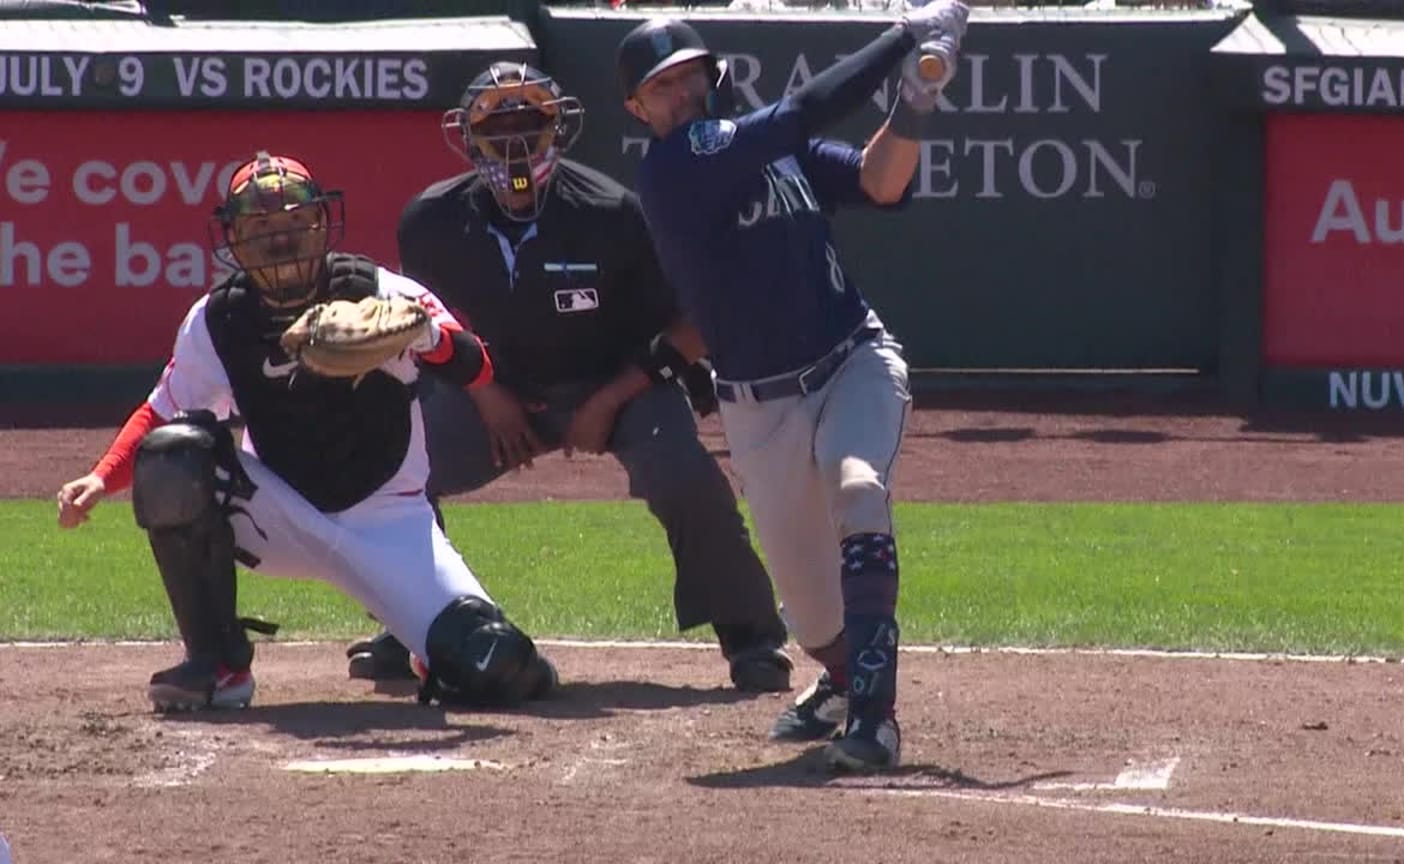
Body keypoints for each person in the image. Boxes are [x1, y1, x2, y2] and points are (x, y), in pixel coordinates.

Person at [342, 60, 794, 694]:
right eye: (498, 130)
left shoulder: (615, 214)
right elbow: (430, 329)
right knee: (390, 466)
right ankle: (415, 622)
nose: (516, 144)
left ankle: (752, 637)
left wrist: (608, 400)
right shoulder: (431, 221)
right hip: (493, 391)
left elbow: (691, 326)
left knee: (681, 471)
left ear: (560, 131)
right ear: (468, 139)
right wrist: (486, 391)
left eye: (532, 125)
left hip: (617, 384)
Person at [55, 151, 557, 712]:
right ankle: (217, 663)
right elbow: (161, 412)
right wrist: (101, 479)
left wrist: (423, 339)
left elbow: (476, 367)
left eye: (294, 222)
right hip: (276, 512)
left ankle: (426, 641)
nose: (281, 239)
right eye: (262, 227)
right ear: (236, 238)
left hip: (389, 521)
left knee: (500, 668)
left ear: (321, 224)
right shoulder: (219, 319)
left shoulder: (381, 292)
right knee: (175, 455)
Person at [615, 5, 968, 772]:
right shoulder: (675, 168)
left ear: (714, 76)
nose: (680, 95)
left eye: (689, 78)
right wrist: (906, 36)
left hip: (852, 358)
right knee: (811, 620)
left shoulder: (767, 150)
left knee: (858, 486)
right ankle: (843, 679)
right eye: (660, 88)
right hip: (758, 406)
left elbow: (881, 182)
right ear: (636, 109)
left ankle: (875, 720)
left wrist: (913, 106)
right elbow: (806, 107)